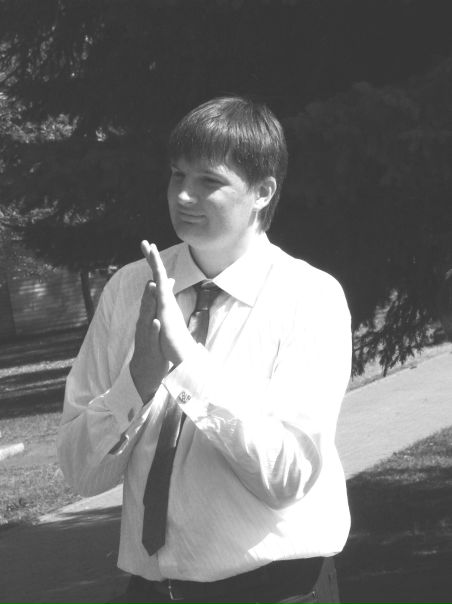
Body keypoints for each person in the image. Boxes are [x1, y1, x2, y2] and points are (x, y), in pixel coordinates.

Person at [58, 96, 352, 604]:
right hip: (152, 591)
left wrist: (189, 365)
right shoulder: (130, 289)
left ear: (262, 192)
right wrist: (139, 380)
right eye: (177, 174)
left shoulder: (310, 297)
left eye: (209, 181)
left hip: (276, 589)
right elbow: (82, 473)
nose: (183, 195)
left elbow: (288, 476)